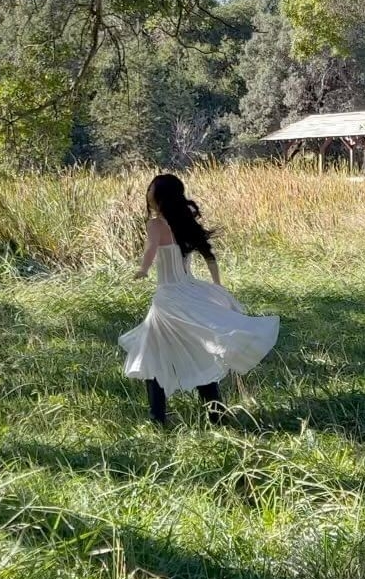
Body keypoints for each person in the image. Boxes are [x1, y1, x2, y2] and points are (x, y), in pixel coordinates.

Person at [118, 173, 279, 425]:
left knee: (153, 353)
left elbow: (151, 249)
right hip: (189, 290)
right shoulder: (183, 223)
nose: (147, 193)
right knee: (193, 351)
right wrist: (217, 286)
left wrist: (143, 269)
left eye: (150, 189)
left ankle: (158, 418)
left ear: (158, 195)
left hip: (169, 296)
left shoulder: (156, 225)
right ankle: (215, 414)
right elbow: (210, 257)